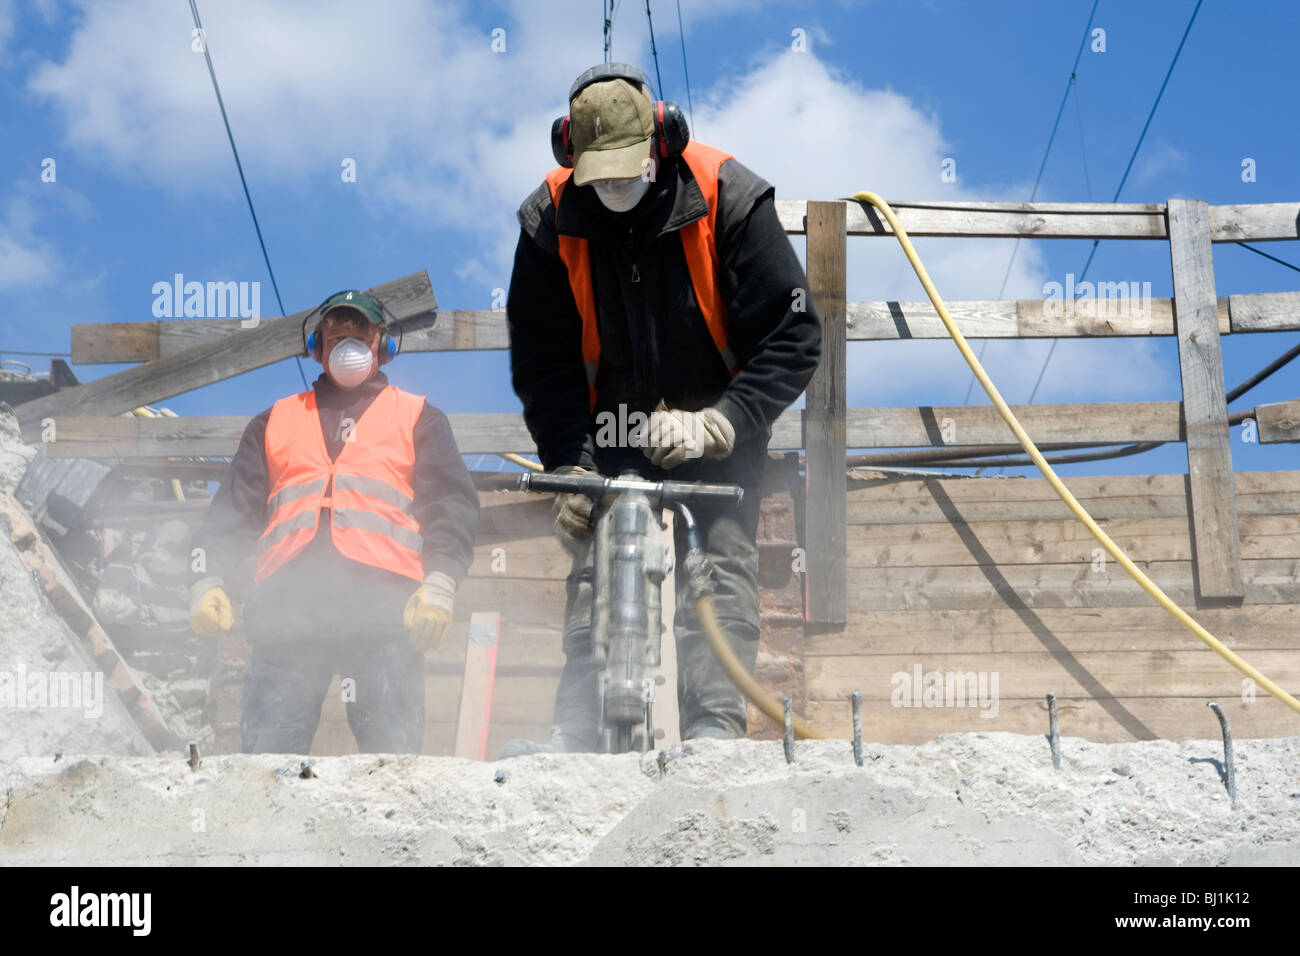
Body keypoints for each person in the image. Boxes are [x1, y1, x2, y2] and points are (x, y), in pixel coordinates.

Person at [502, 63, 821, 754]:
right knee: (597, 567)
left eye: (629, 170)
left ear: (664, 140)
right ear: (571, 155)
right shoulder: (549, 220)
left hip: (717, 419)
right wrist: (571, 463)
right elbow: (544, 363)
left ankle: (712, 730)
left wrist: (723, 421)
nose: (615, 188)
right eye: (601, 176)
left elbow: (795, 334)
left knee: (721, 565)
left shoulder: (727, 195)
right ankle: (579, 729)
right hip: (606, 428)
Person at [187, 289, 480, 754]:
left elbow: (452, 506)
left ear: (382, 342)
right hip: (287, 615)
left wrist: (440, 584)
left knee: (392, 765)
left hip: (384, 615)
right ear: (317, 347)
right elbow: (232, 512)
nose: (347, 339)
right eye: (335, 331)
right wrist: (208, 579)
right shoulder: (274, 421)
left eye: (359, 329)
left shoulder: (418, 417)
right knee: (268, 764)